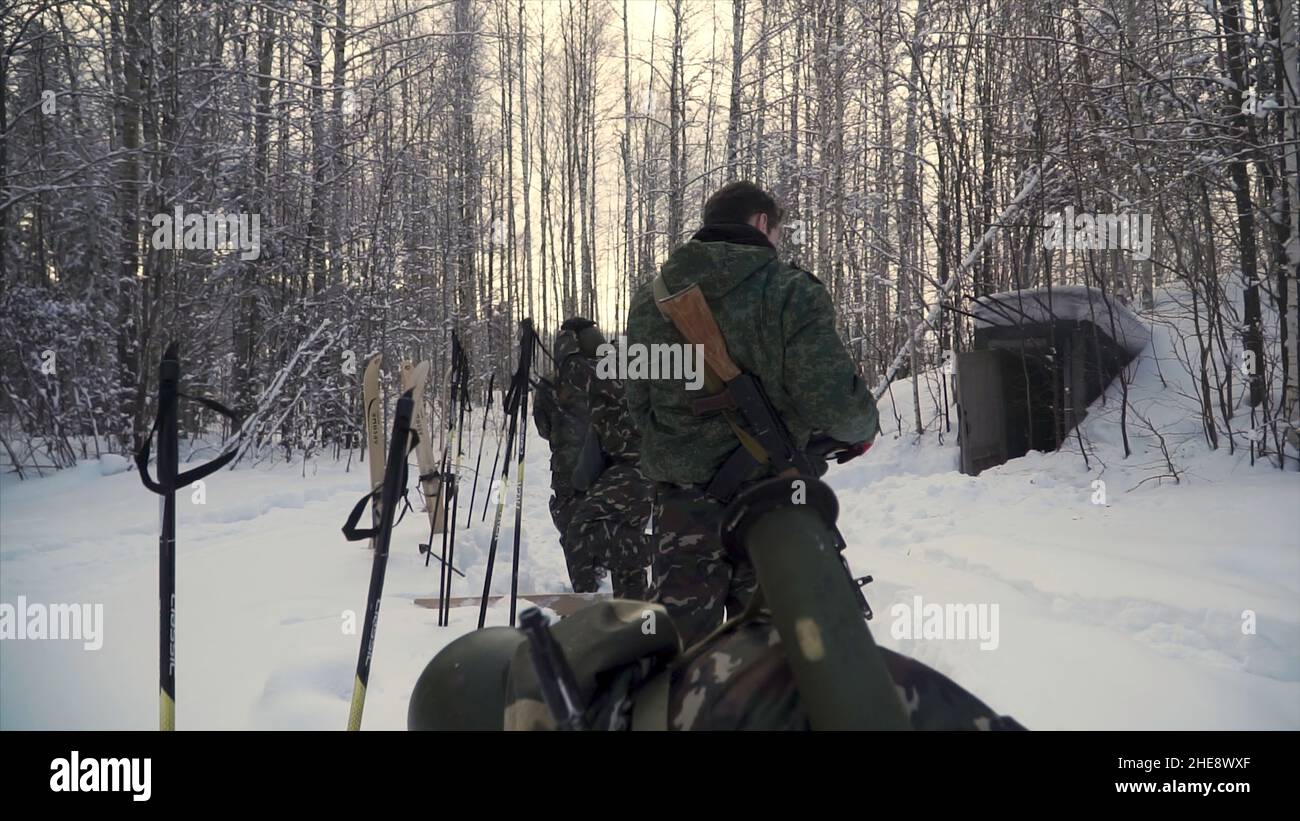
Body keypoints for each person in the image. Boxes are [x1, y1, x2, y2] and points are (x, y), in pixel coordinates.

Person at [624, 181, 879, 647]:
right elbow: (832, 402)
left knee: (679, 660)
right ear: (762, 223)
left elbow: (638, 404)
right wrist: (863, 430)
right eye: (776, 229)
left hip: (682, 513)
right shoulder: (788, 291)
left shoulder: (648, 302)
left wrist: (686, 449)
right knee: (772, 663)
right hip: (773, 507)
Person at [533, 317, 653, 599]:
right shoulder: (614, 368)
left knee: (581, 538)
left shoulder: (573, 375)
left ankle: (666, 553)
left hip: (604, 472)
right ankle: (629, 610)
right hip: (596, 472)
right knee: (613, 536)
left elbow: (544, 427)